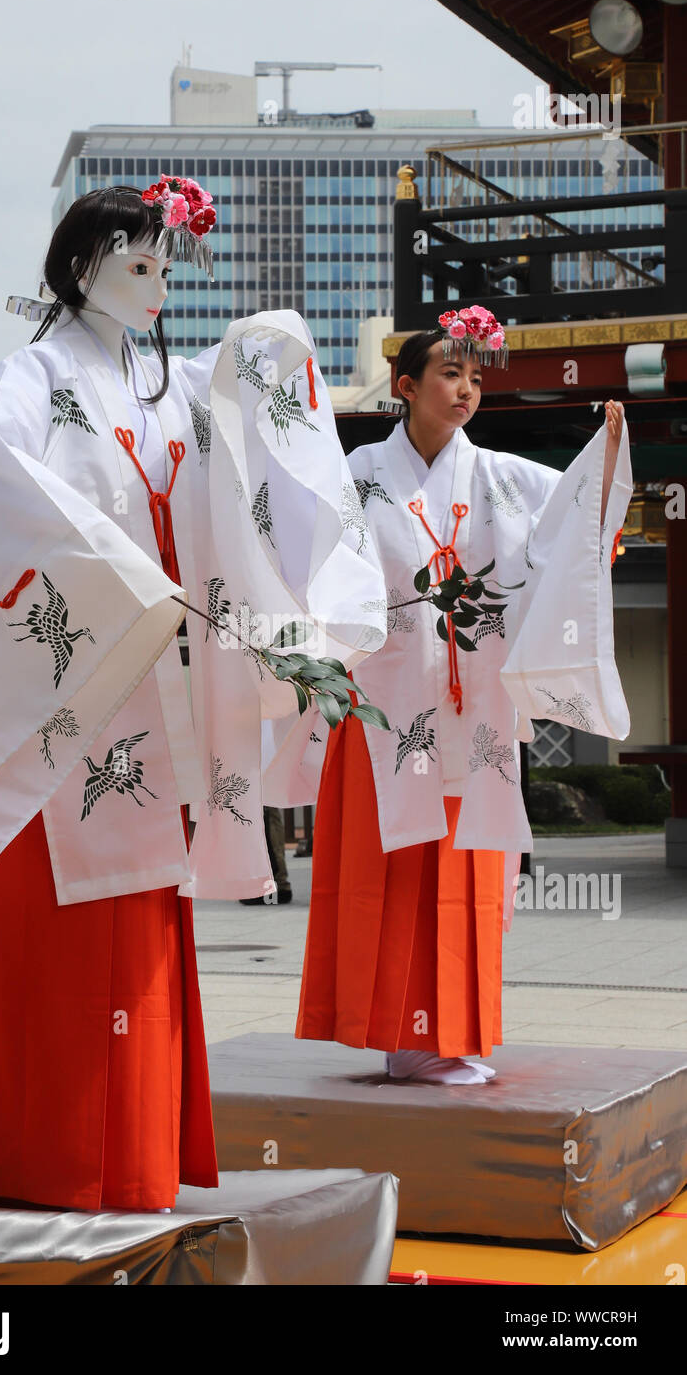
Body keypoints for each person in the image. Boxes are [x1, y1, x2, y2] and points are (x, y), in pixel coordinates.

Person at [0, 182, 386, 1210]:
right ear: (76, 268)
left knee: (138, 912)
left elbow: (244, 442)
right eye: (134, 264)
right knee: (45, 925)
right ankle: (33, 1154)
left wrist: (269, 345)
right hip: (56, 690)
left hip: (150, 685)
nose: (154, 285)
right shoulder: (30, 376)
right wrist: (114, 569)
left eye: (162, 266)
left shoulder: (167, 387)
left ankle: (128, 1154)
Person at [290, 305, 632, 1084]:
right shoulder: (355, 479)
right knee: (390, 874)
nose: (467, 388)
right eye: (450, 373)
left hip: (471, 709)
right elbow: (301, 557)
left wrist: (604, 459)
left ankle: (452, 1036)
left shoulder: (502, 479)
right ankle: (397, 1034)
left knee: (465, 874)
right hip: (382, 709)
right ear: (404, 386)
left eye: (477, 377)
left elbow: (578, 529)